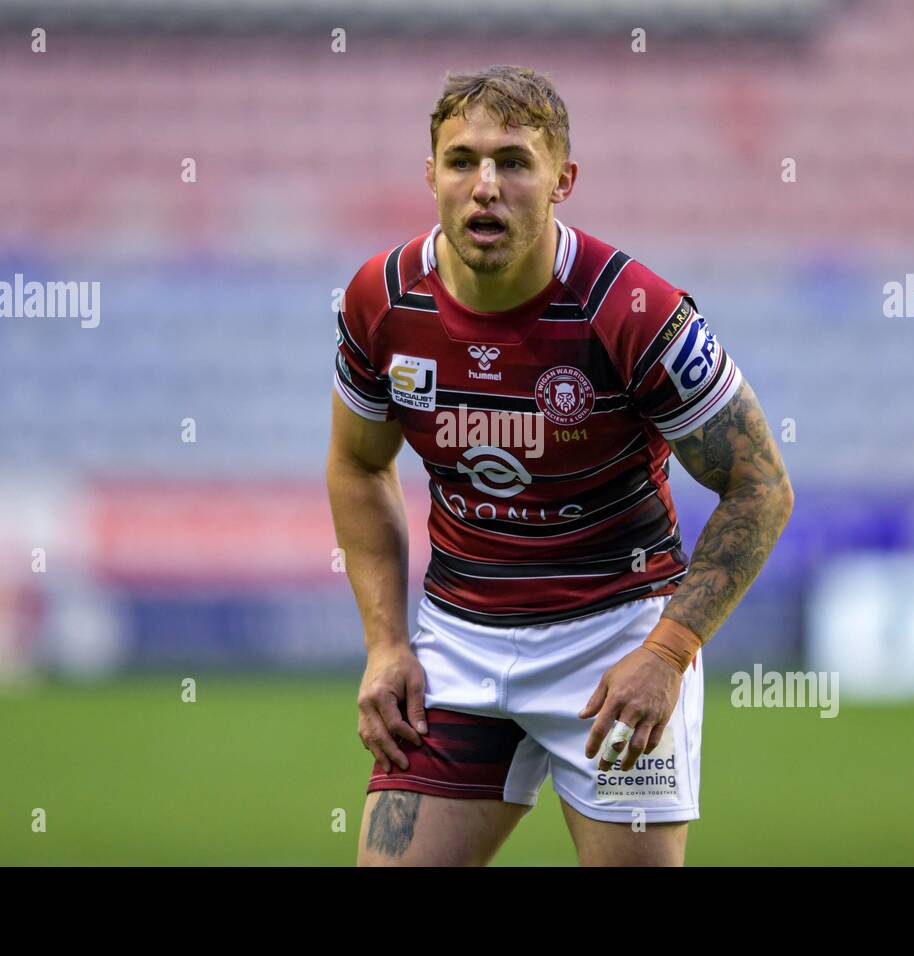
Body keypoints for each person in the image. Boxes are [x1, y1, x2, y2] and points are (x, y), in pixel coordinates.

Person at [326, 65, 793, 866]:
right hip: (460, 645)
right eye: (462, 160)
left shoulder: (635, 313)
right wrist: (386, 644)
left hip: (615, 646)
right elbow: (357, 466)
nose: (484, 186)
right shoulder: (380, 300)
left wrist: (667, 653)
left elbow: (760, 488)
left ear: (561, 180)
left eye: (513, 161)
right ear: (430, 175)